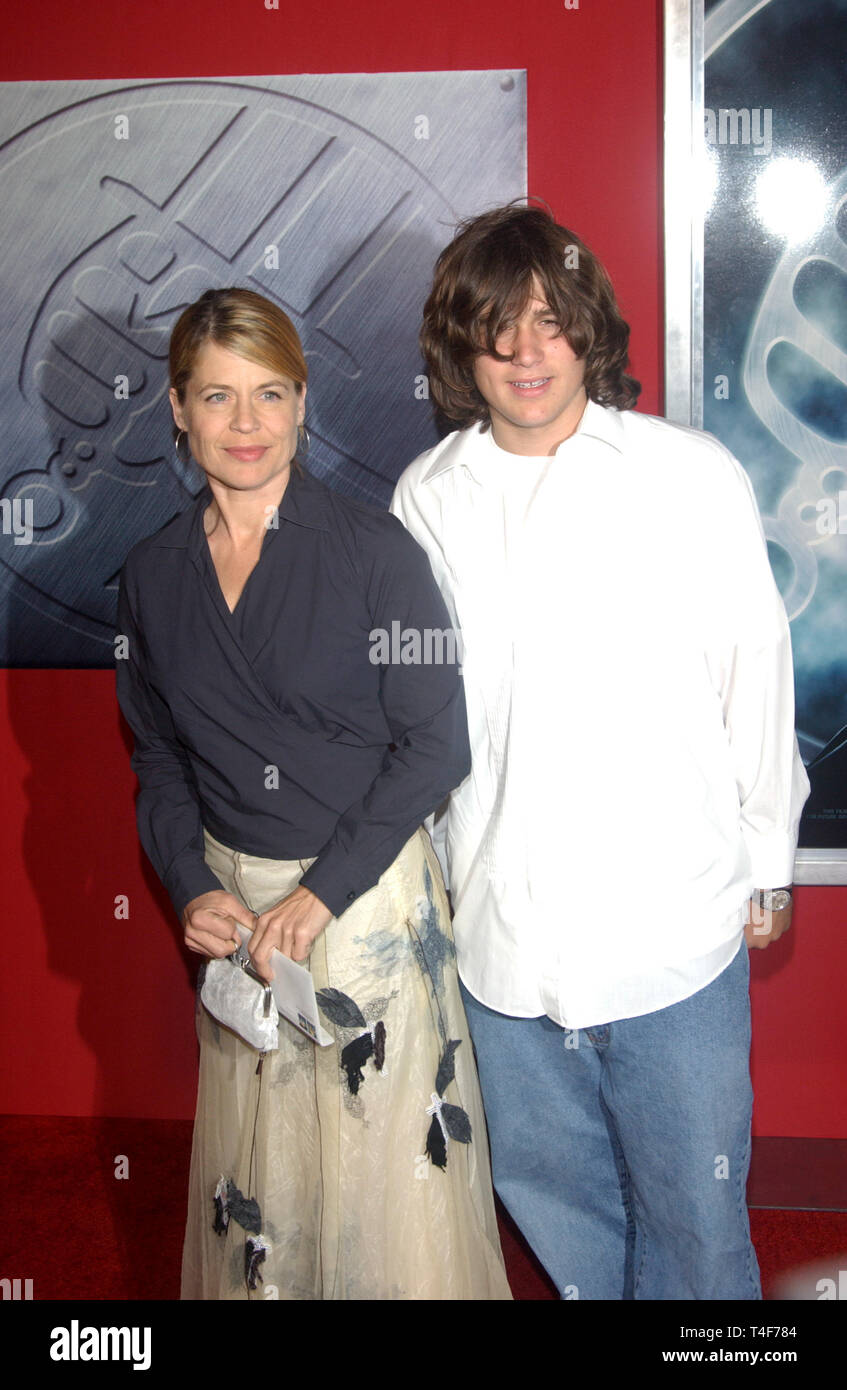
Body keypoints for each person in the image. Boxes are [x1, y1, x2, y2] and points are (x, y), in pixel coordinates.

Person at [391, 203, 810, 1300]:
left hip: (670, 924)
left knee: (697, 1229)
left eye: (550, 322)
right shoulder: (426, 497)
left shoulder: (686, 473)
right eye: (498, 328)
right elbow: (423, 706)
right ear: (461, 348)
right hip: (500, 938)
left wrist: (767, 855)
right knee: (565, 1221)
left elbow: (753, 669)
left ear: (588, 329)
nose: (528, 354)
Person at [116, 287, 511, 1301]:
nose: (245, 425)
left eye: (269, 394)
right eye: (217, 397)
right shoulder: (152, 576)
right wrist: (186, 881)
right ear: (175, 408)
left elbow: (436, 744)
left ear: (301, 402)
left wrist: (322, 891)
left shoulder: (374, 552)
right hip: (241, 924)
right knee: (270, 1198)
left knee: (386, 1189)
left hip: (366, 900)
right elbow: (156, 755)